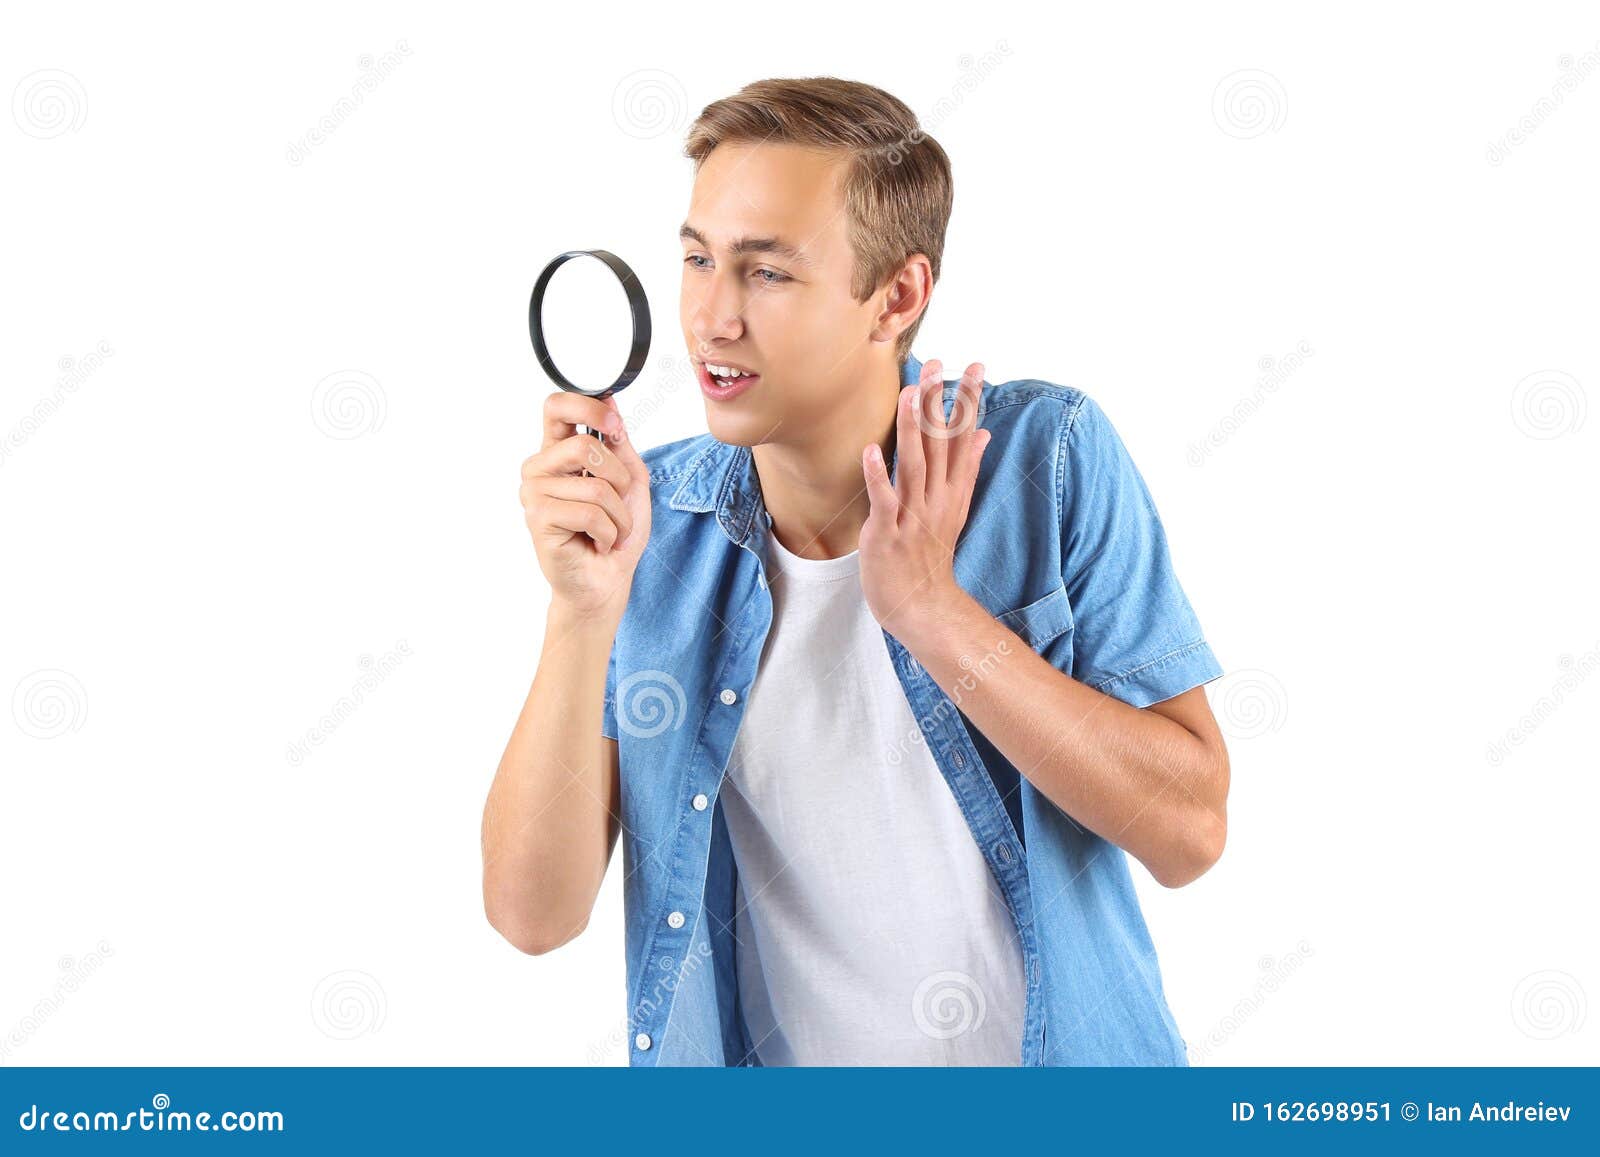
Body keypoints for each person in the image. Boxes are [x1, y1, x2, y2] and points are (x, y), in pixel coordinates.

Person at [482, 77, 1230, 1067]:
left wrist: (933, 614)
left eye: (767, 273)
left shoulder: (1044, 460)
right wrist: (580, 612)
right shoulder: (650, 529)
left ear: (898, 297)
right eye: (698, 258)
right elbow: (532, 915)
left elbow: (1190, 832)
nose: (710, 319)